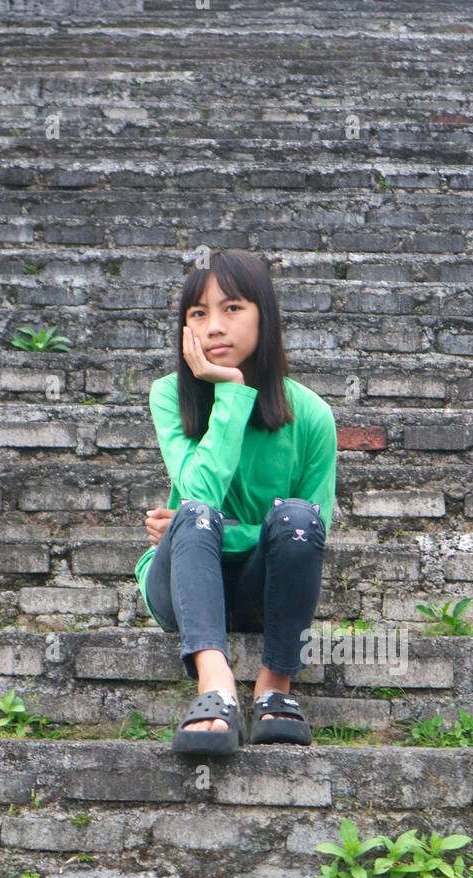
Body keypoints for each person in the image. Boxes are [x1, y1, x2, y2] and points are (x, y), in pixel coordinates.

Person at [133, 249, 337, 752]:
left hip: (260, 585)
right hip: (182, 585)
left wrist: (198, 527)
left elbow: (314, 534)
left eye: (232, 308)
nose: (214, 326)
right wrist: (229, 391)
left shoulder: (310, 415)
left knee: (294, 518)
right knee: (199, 515)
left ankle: (275, 686)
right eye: (198, 313)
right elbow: (200, 493)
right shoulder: (169, 396)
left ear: (263, 317)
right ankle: (215, 684)